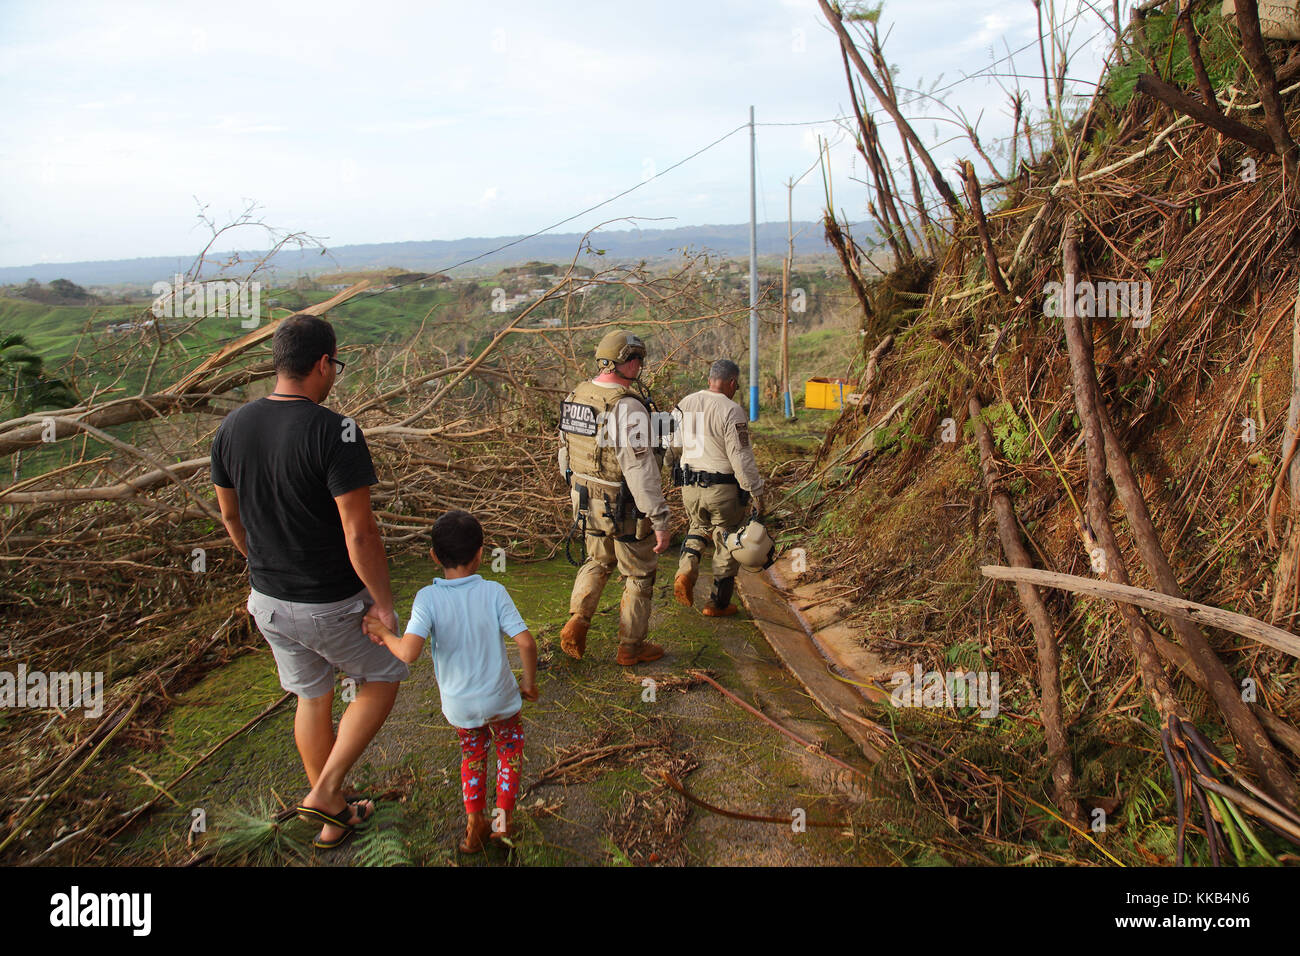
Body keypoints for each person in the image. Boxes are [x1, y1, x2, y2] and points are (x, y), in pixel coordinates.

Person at [210, 313, 408, 850]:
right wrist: (385, 607)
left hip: (268, 602)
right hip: (329, 601)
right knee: (386, 674)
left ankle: (334, 817)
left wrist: (264, 564)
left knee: (313, 697)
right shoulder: (334, 430)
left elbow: (231, 518)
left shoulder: (232, 427)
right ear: (323, 364)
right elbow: (359, 532)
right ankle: (324, 791)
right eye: (335, 366)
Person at [362, 510, 538, 853]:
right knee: (509, 750)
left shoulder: (428, 598)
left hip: (460, 706)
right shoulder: (494, 591)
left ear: (433, 556)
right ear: (480, 554)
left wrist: (384, 632)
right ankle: (502, 823)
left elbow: (410, 653)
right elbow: (526, 643)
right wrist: (528, 684)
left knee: (473, 756)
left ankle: (474, 824)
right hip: (501, 700)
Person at [557, 329, 672, 665]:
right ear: (628, 362)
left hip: (584, 499)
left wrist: (578, 489)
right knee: (639, 572)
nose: (639, 367)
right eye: (638, 360)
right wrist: (660, 518)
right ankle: (630, 648)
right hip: (622, 505)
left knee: (597, 560)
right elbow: (640, 471)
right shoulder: (628, 408)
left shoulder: (577, 395)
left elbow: (564, 451)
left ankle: (577, 621)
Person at [665, 359, 766, 616]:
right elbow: (740, 458)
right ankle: (717, 603)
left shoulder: (684, 404)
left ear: (710, 379)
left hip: (690, 488)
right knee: (726, 535)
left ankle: (685, 571)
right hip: (723, 490)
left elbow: (668, 445)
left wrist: (668, 472)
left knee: (697, 527)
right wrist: (755, 492)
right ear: (732, 383)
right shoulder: (732, 410)